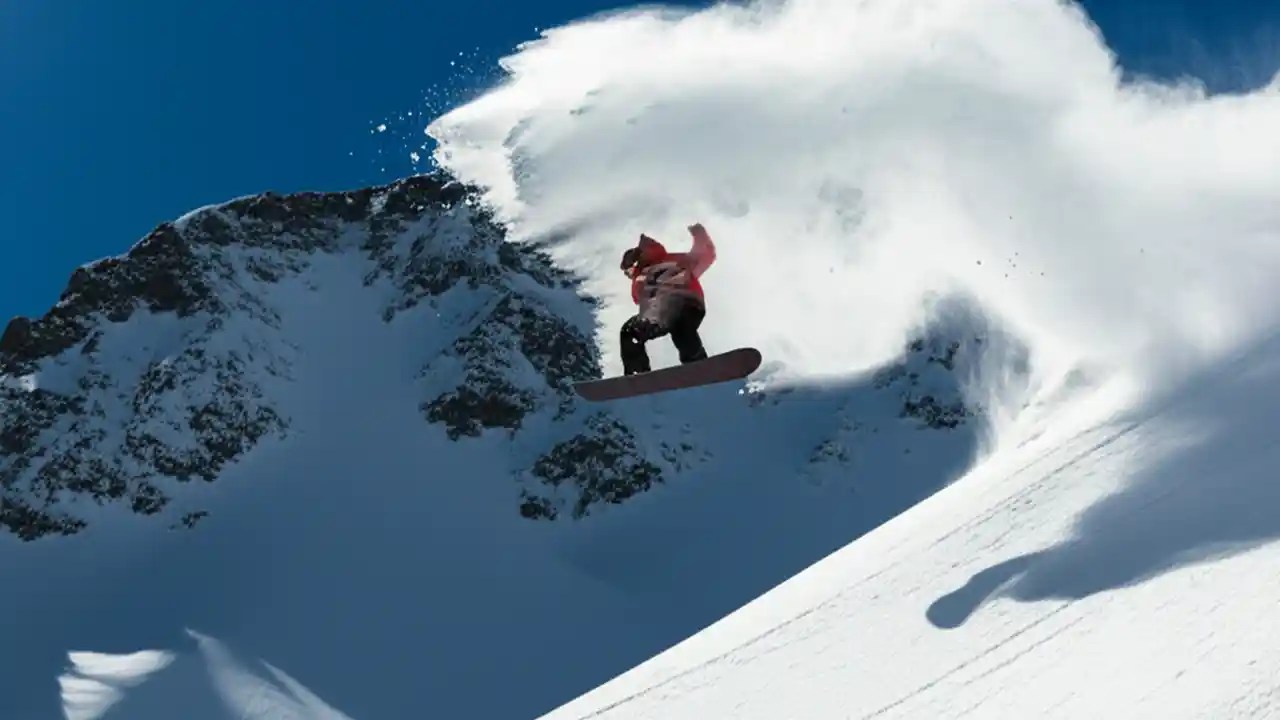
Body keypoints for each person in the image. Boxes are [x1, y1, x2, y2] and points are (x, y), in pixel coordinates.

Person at [618, 222, 717, 375]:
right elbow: (707, 255)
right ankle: (696, 361)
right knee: (682, 330)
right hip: (692, 305)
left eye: (627, 269)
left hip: (663, 309)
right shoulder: (678, 259)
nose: (628, 274)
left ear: (635, 262)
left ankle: (638, 371)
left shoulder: (641, 276)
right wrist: (699, 234)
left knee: (629, 332)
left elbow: (639, 298)